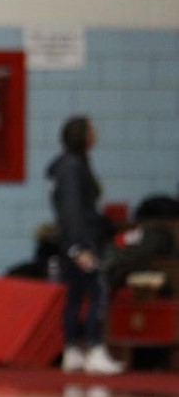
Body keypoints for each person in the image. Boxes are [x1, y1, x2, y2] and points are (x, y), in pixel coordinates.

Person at [47, 115, 123, 374]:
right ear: (82, 135)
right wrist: (79, 247)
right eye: (92, 130)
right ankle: (94, 348)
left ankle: (71, 350)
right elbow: (72, 210)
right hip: (80, 242)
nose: (95, 133)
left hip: (74, 239)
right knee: (98, 293)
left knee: (76, 295)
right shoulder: (71, 168)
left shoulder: (74, 164)